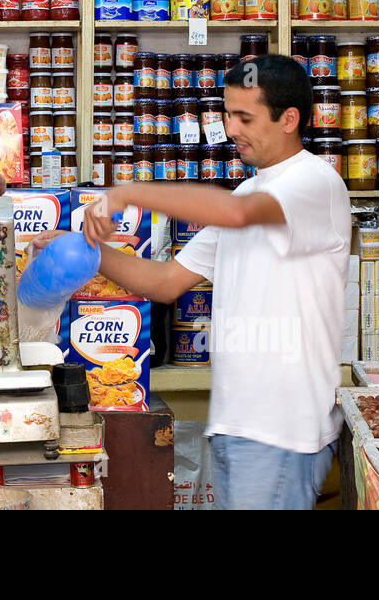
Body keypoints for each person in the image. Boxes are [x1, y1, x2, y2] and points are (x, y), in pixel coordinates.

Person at [33, 54, 351, 510]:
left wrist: (125, 192)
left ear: (289, 119)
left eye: (244, 117)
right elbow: (165, 282)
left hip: (283, 431)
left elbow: (238, 215)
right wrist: (82, 249)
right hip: (235, 426)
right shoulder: (246, 193)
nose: (230, 129)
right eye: (226, 115)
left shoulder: (315, 185)